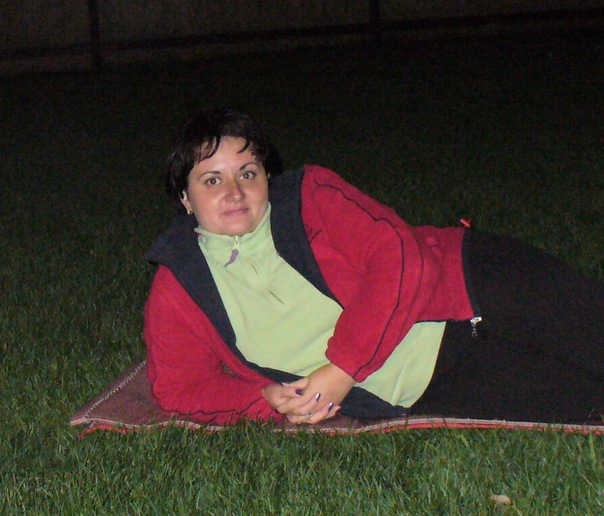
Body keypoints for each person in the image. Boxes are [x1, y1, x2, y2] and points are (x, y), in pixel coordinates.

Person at [144, 108, 603, 427]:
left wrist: (341, 370)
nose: (234, 191)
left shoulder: (310, 200)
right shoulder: (181, 287)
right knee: (585, 405)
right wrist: (261, 399)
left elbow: (400, 259)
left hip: (472, 284)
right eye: (211, 180)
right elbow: (181, 387)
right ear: (185, 198)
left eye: (247, 173)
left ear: (267, 176)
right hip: (430, 387)